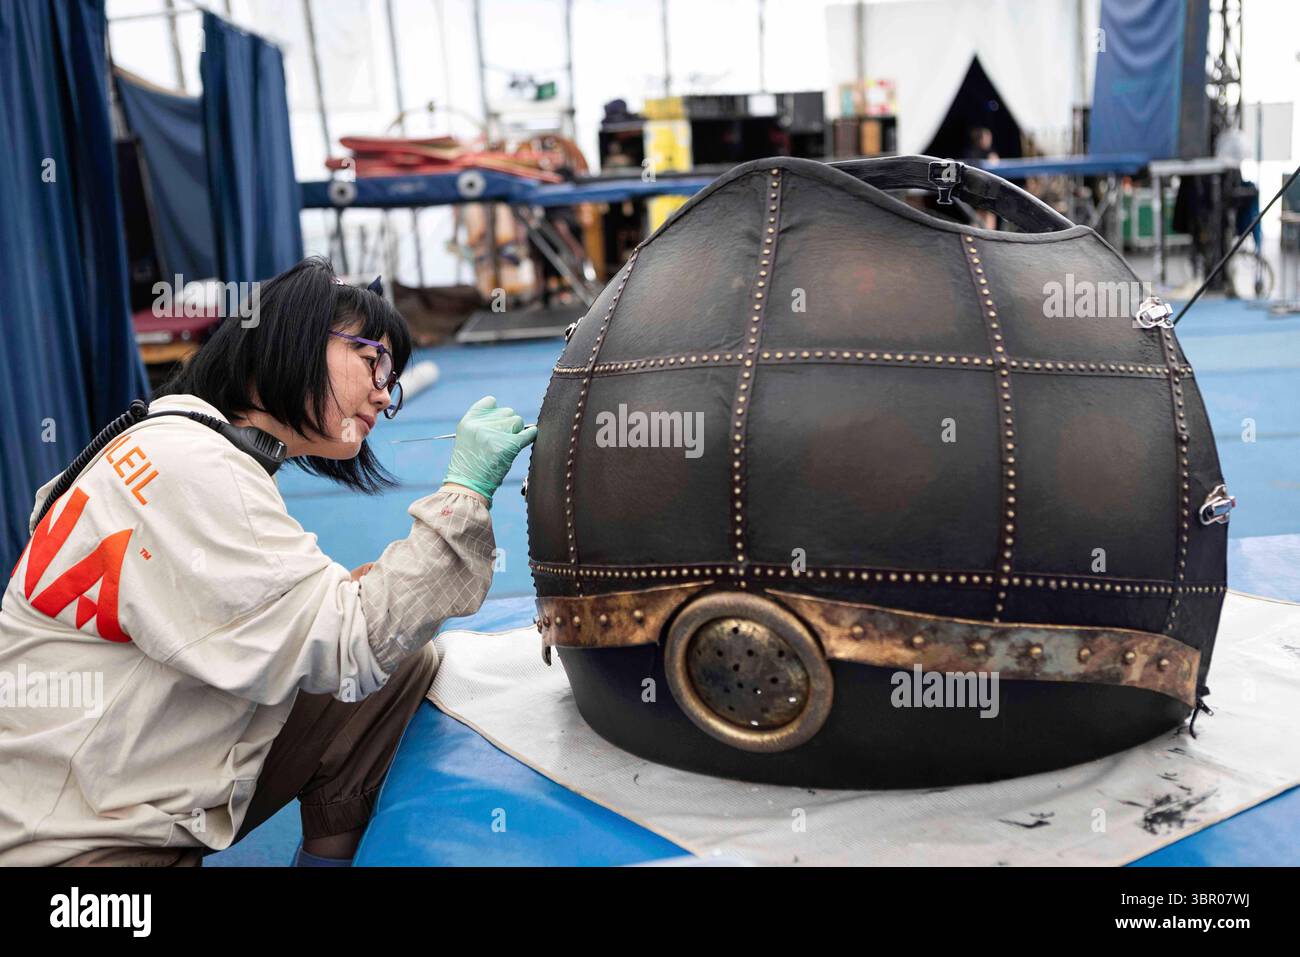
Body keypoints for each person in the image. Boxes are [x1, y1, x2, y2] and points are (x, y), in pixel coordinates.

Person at [0, 257, 536, 866]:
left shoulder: (172, 441)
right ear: (298, 338)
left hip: (111, 771)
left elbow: (307, 628)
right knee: (367, 657)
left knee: (391, 674)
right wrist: (465, 491)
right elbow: (350, 638)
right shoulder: (194, 466)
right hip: (68, 843)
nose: (386, 394)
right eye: (374, 362)